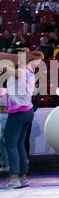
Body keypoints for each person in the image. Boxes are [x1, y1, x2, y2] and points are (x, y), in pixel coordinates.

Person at [1, 45, 42, 189]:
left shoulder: (21, 71)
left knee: (11, 144)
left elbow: (8, 70)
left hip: (18, 113)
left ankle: (14, 179)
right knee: (20, 144)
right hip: (28, 112)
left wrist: (5, 65)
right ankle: (23, 178)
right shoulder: (31, 73)